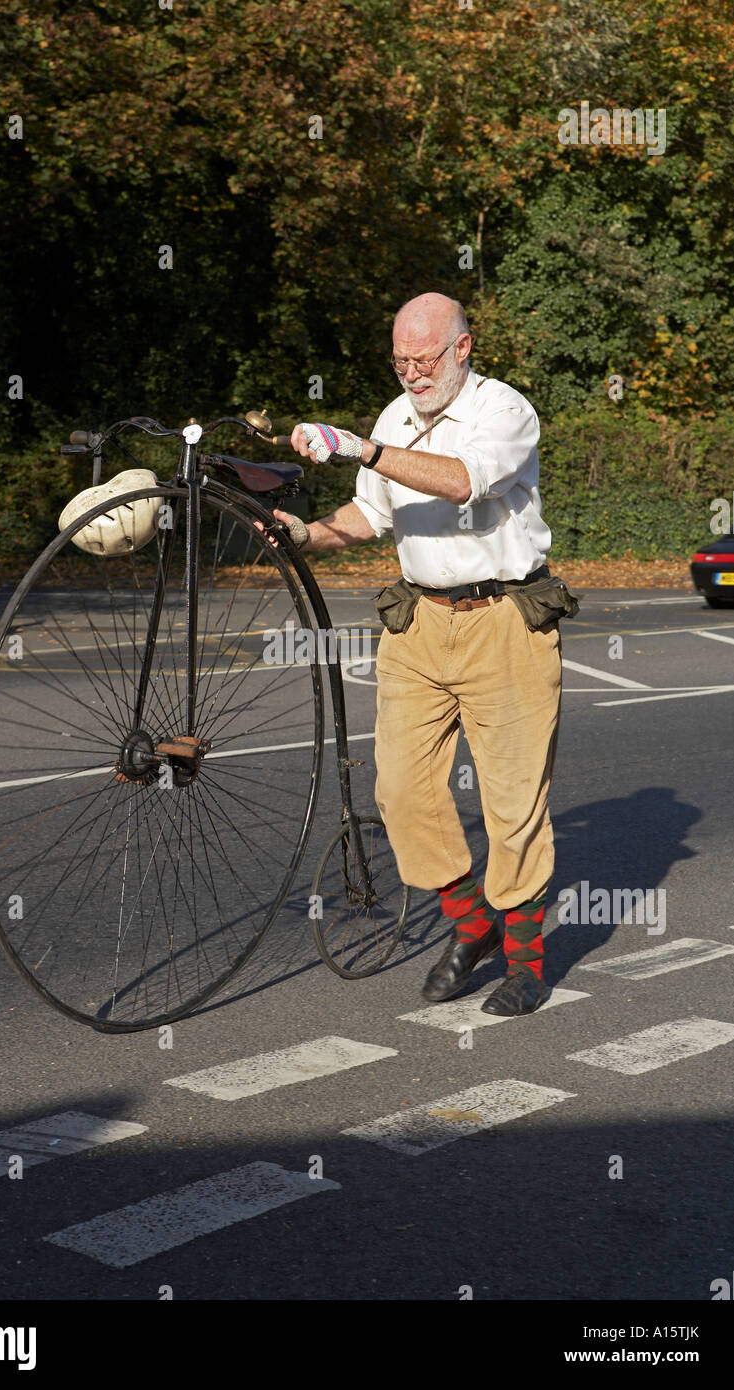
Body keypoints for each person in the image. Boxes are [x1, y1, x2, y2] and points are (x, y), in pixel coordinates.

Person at [272, 292, 563, 1016]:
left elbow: (462, 480)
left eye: (424, 358)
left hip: (504, 621)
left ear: (463, 348)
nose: (411, 373)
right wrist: (307, 534)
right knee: (400, 791)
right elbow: (370, 514)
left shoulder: (505, 412)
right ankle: (472, 927)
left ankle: (526, 961)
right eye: (400, 360)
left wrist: (361, 449)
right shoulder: (395, 417)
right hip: (419, 624)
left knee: (512, 803)